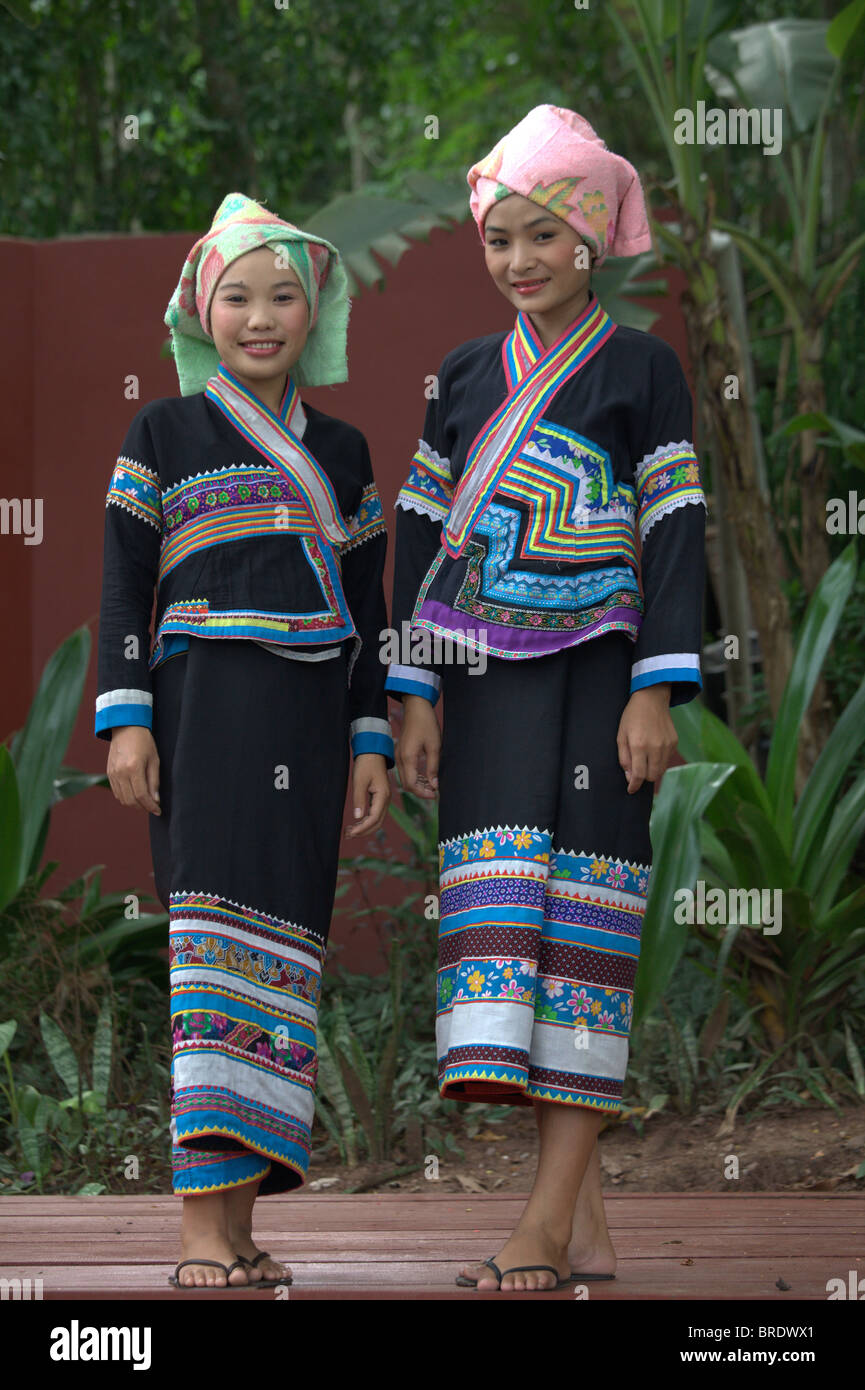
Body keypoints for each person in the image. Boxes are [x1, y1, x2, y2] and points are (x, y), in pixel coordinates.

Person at [386, 106, 706, 1292]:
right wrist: (413, 688)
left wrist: (654, 690)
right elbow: (421, 535)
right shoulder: (466, 378)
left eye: (540, 237)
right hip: (482, 694)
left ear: (588, 239)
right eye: (496, 240)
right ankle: (583, 1224)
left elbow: (673, 534)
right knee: (506, 943)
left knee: (583, 938)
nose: (518, 260)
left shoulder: (644, 371)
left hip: (597, 689)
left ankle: (538, 1228)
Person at [95, 193, 393, 1289]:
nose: (261, 317)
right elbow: (125, 584)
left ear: (312, 315)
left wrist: (371, 736)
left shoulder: (349, 451)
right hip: (201, 718)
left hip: (310, 731)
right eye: (238, 297)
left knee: (283, 961)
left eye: (283, 297)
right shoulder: (161, 434)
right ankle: (197, 1232)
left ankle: (245, 1220)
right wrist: (127, 715)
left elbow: (371, 604)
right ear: (200, 310)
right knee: (210, 954)